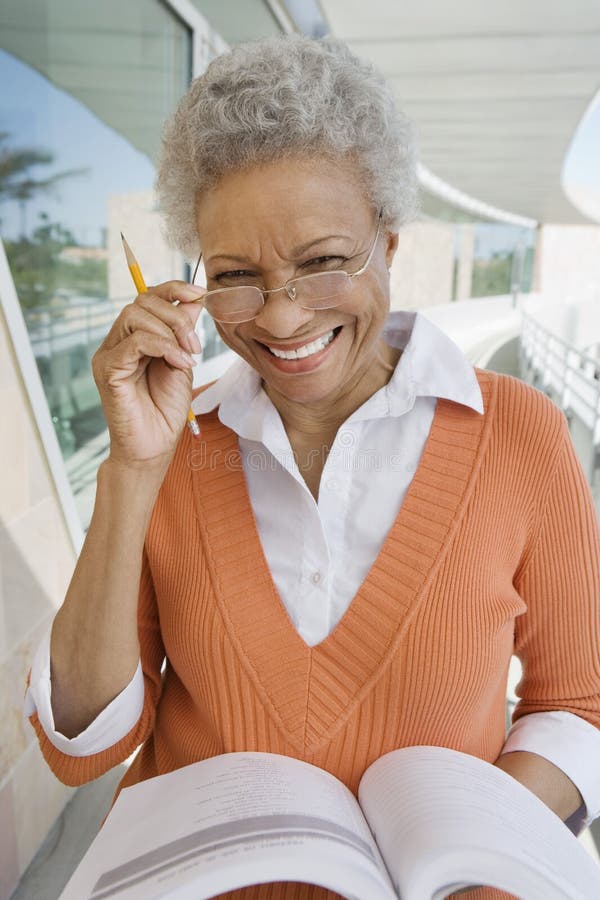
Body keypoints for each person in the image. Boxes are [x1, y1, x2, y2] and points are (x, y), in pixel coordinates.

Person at [25, 35, 600, 900]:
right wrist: (133, 472)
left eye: (324, 261)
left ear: (390, 237)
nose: (283, 319)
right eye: (236, 277)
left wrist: (476, 861)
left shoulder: (520, 434)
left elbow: (581, 705)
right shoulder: (171, 445)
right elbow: (81, 745)